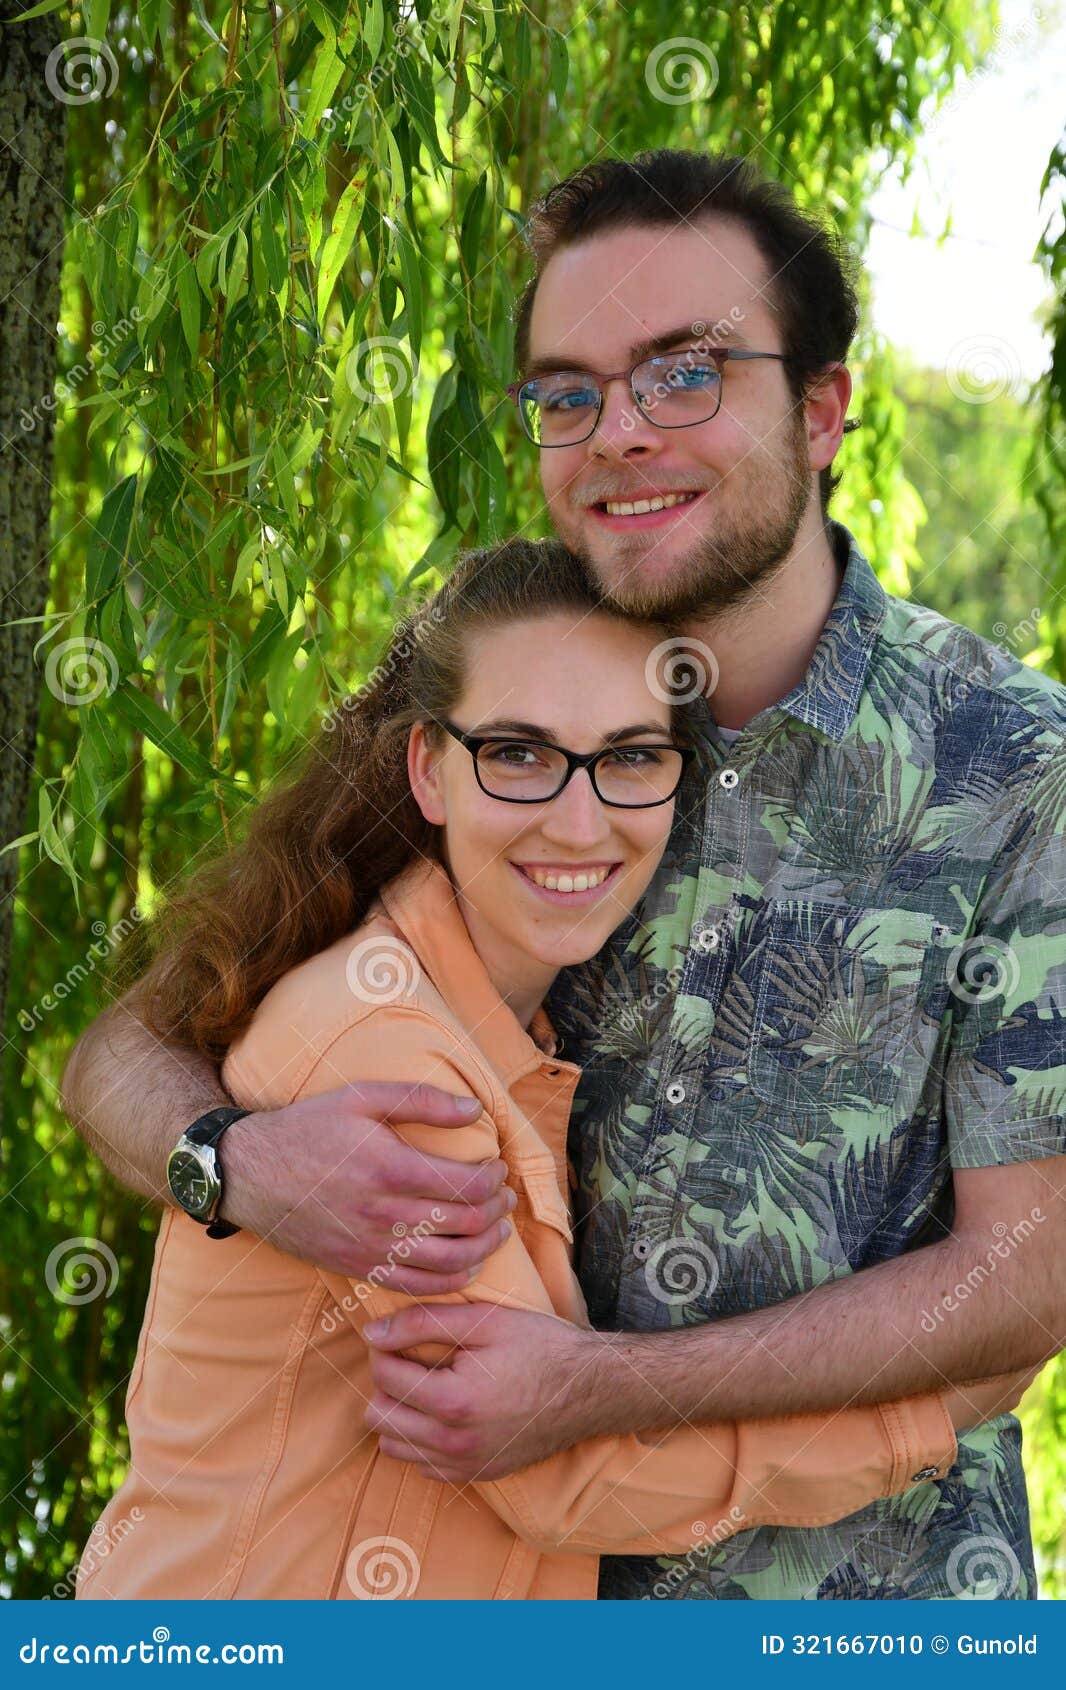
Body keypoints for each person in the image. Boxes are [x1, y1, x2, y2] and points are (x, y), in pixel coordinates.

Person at [63, 150, 1066, 1602]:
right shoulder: (513, 676)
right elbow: (136, 1040)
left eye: (684, 374)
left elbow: (1027, 1265)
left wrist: (597, 1385)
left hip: (863, 1599)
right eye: (566, 391)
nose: (618, 433)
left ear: (823, 408)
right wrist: (236, 1162)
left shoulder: (1013, 764)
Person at [74, 538, 989, 1600]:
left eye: (632, 757)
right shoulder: (384, 1046)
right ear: (427, 766)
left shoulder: (520, 1026)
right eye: (517, 753)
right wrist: (940, 1405)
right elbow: (559, 1475)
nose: (578, 820)